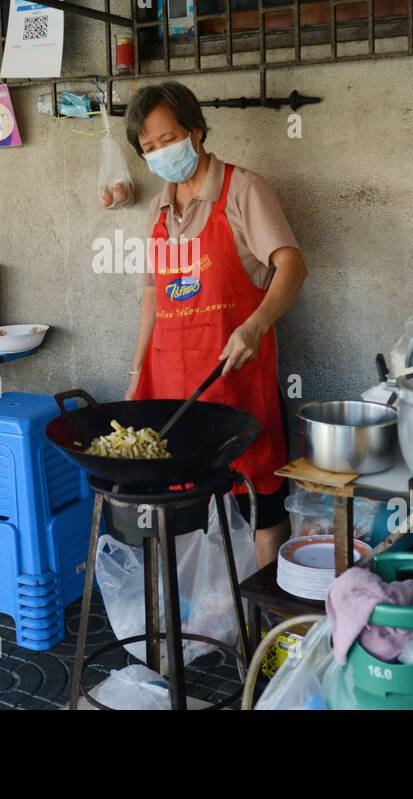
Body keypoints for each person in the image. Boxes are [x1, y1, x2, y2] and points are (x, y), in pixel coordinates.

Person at [125, 82, 308, 566]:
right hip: (173, 394)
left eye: (168, 139)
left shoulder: (243, 189)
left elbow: (291, 266)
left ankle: (262, 629)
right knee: (181, 515)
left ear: (197, 132)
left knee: (262, 508)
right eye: (149, 148)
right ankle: (201, 622)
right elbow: (153, 296)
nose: (161, 153)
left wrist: (255, 326)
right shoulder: (159, 210)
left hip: (235, 386)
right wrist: (137, 373)